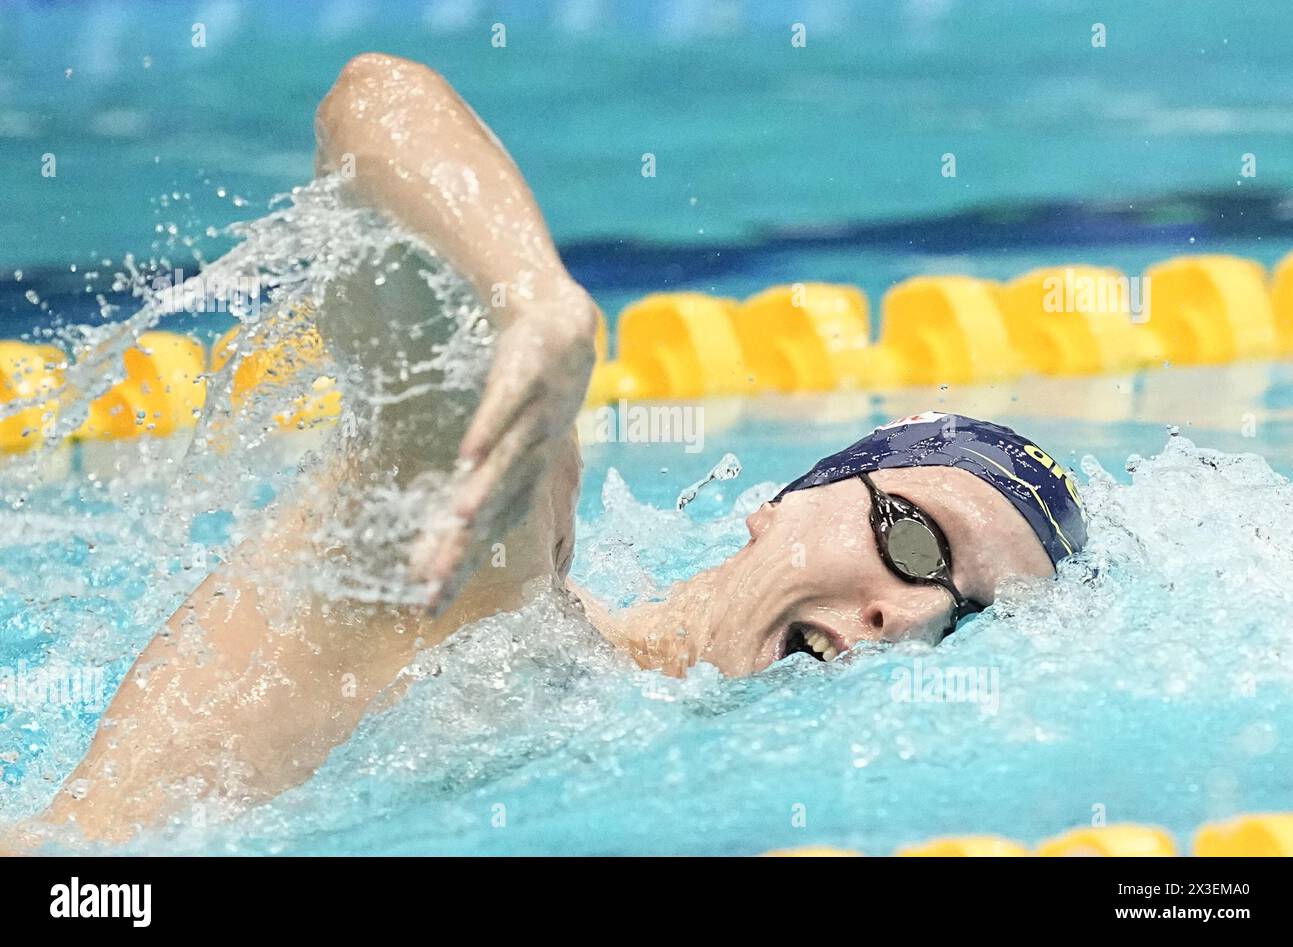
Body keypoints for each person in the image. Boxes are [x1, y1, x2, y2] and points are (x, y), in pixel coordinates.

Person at [2, 54, 1086, 848]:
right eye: (910, 538)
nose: (913, 616)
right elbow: (375, 101)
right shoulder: (492, 585)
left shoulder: (641, 749)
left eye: (969, 618)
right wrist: (530, 298)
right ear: (785, 499)